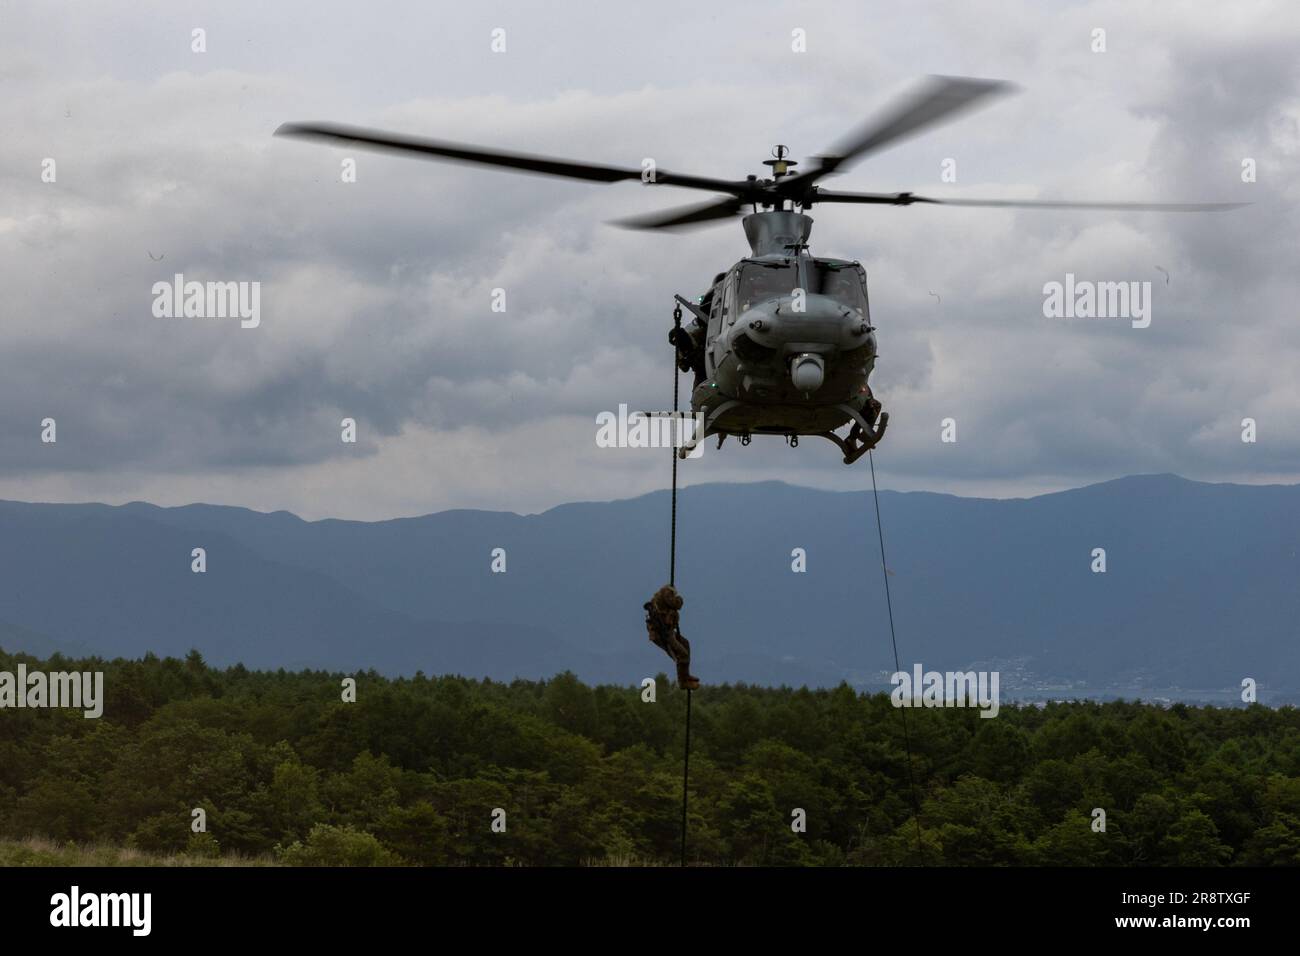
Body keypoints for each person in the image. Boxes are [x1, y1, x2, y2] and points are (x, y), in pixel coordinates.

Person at [644, 584, 700, 689]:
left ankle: (685, 675)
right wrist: (679, 599)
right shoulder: (666, 594)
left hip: (668, 632)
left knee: (685, 643)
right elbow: (676, 604)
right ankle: (683, 682)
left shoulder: (660, 599)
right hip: (662, 634)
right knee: (681, 654)